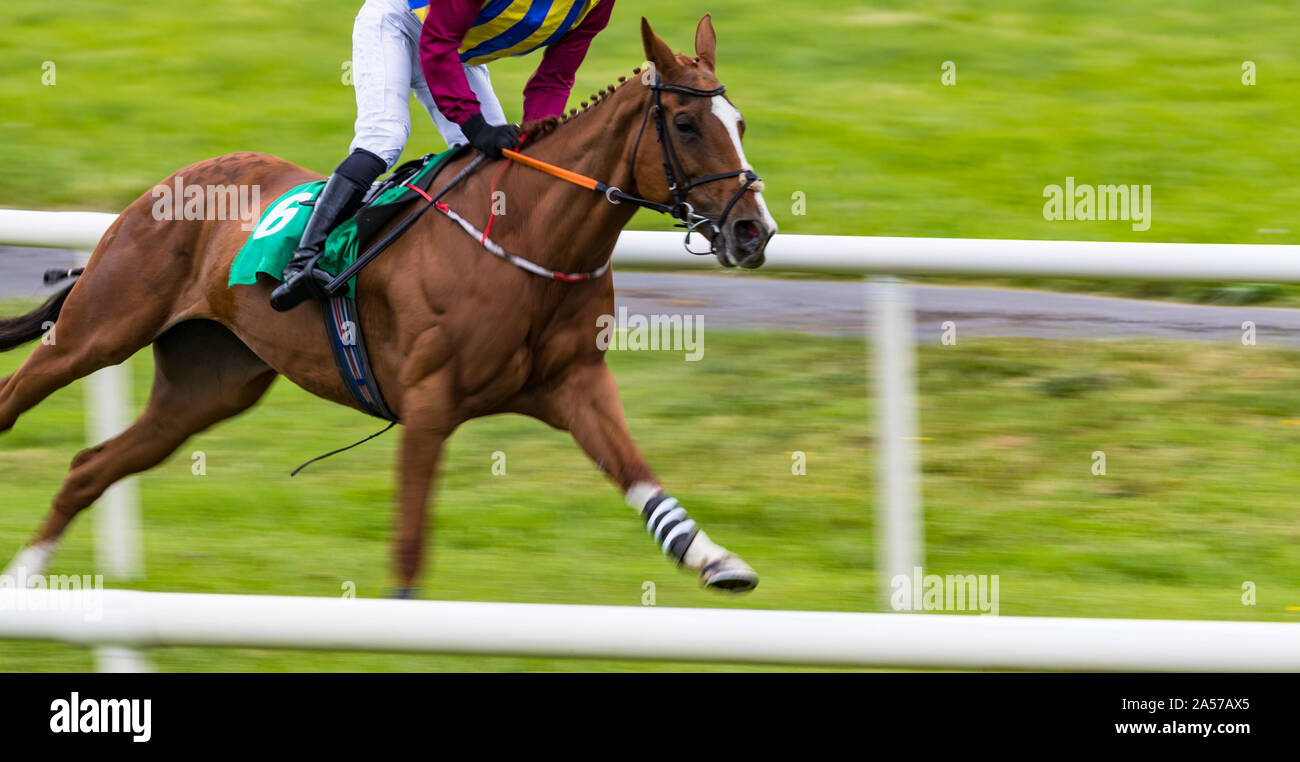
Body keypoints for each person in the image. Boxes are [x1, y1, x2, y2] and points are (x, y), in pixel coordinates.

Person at [271, 0, 616, 311]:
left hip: (455, 51)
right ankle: (303, 261)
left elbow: (554, 79)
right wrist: (476, 127)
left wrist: (537, 139)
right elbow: (437, 44)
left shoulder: (597, 4)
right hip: (398, 24)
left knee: (504, 165)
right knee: (384, 139)